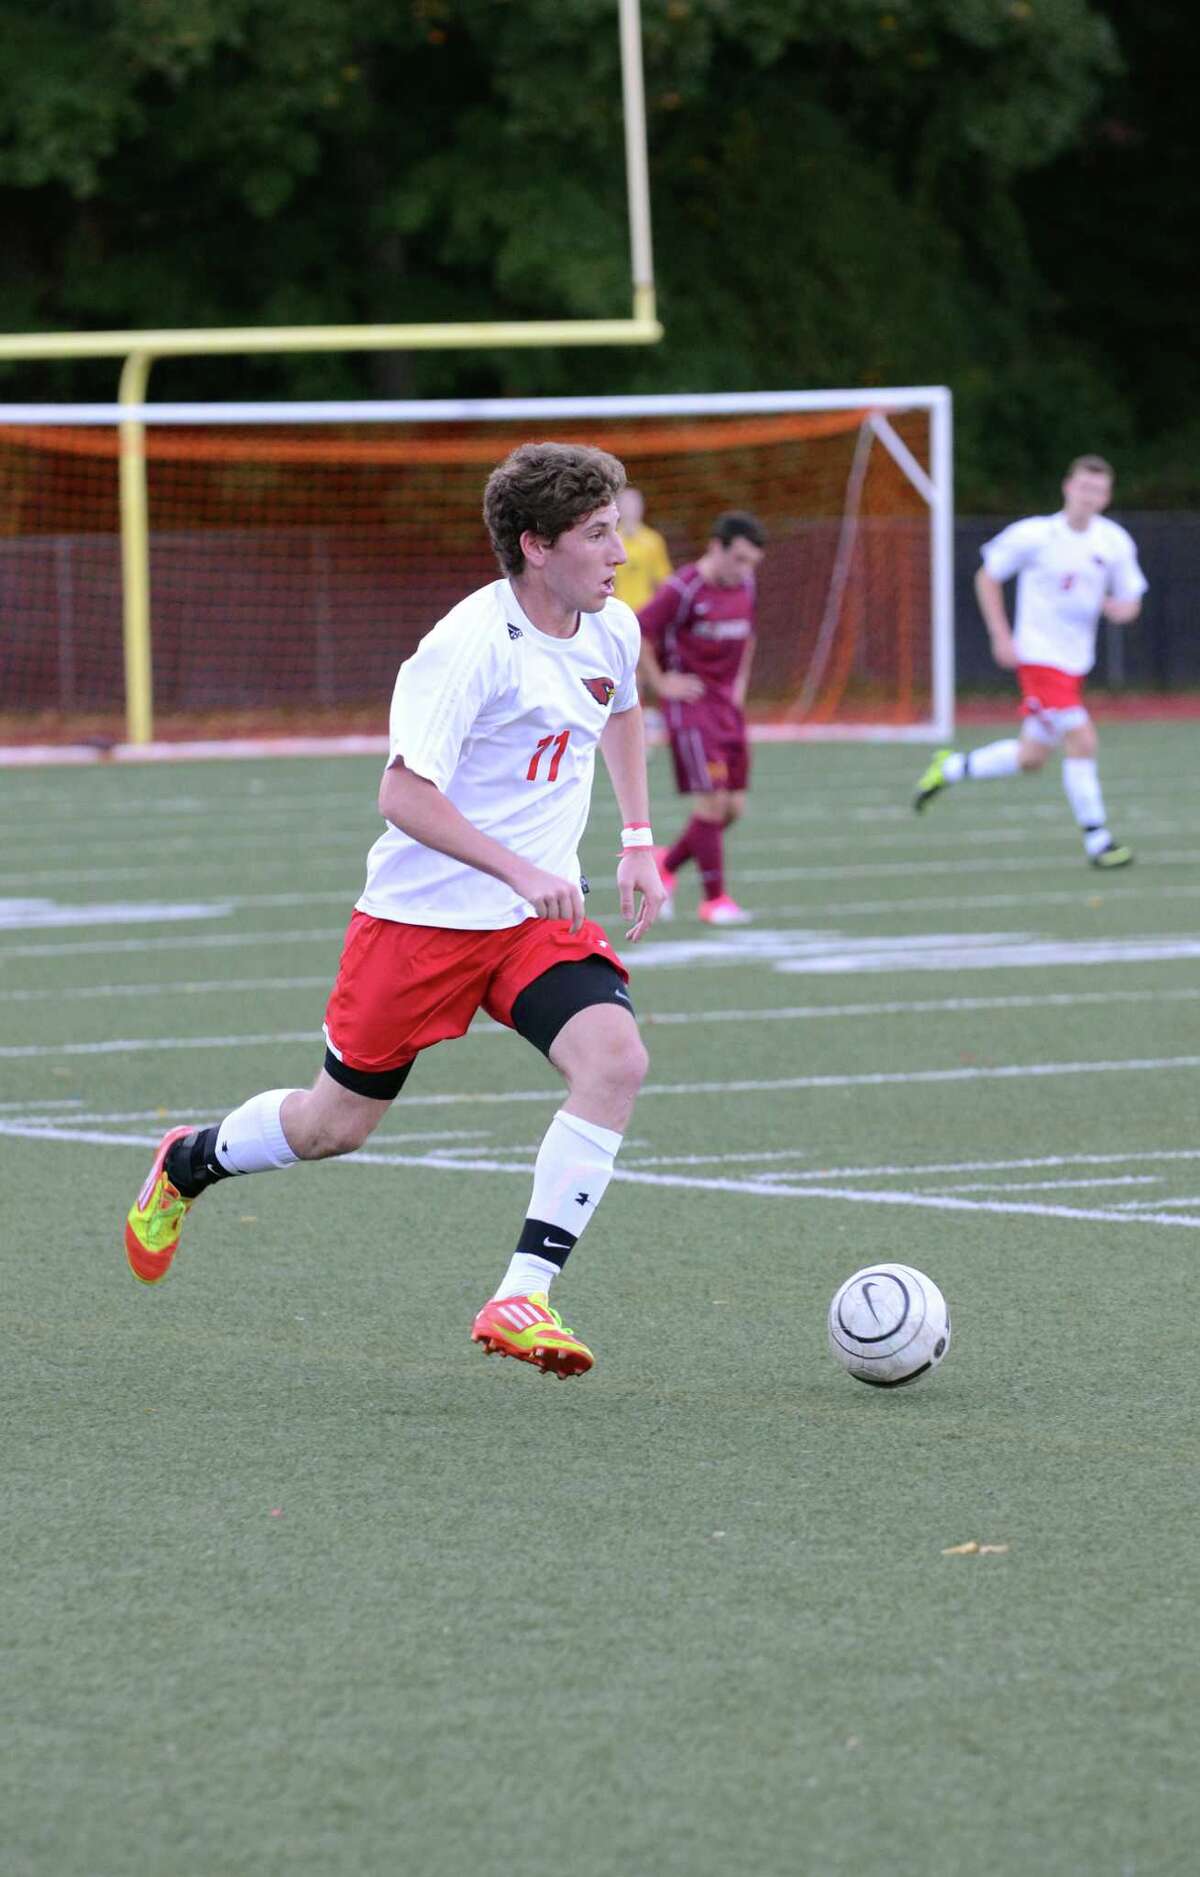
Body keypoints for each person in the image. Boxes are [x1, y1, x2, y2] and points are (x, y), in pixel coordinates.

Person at [124, 442, 667, 1379]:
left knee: (615, 1060)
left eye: (615, 527)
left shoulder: (610, 628)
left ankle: (523, 1295)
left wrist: (637, 837)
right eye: (598, 533)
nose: (619, 550)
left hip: (531, 923)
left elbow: (617, 710)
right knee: (334, 1125)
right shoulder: (465, 647)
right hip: (421, 922)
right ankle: (188, 1160)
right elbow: (402, 795)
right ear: (536, 546)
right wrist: (511, 866)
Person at [914, 455, 1147, 867]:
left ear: (1107, 497)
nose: (1089, 496)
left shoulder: (1113, 543)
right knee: (1082, 740)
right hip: (1039, 658)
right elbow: (988, 576)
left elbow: (1130, 600)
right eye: (1083, 487)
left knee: (1031, 758)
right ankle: (1098, 841)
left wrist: (1118, 608)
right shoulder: (1035, 535)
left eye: (1098, 490)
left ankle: (950, 768)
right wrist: (1001, 634)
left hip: (1075, 664)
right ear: (1067, 487)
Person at [637, 510, 767, 924]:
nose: (745, 570)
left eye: (752, 562)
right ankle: (715, 900)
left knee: (733, 808)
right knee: (711, 802)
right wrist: (660, 682)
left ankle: (666, 865)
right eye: (740, 559)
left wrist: (740, 686)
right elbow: (638, 630)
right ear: (717, 547)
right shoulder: (683, 589)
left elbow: (749, 636)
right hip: (691, 707)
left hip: (726, 707)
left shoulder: (746, 584)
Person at [612, 485, 673, 613]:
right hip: (617, 610)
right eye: (626, 504)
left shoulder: (653, 541)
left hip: (646, 611)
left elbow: (663, 581)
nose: (630, 509)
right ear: (618, 508)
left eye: (634, 504)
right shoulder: (612, 541)